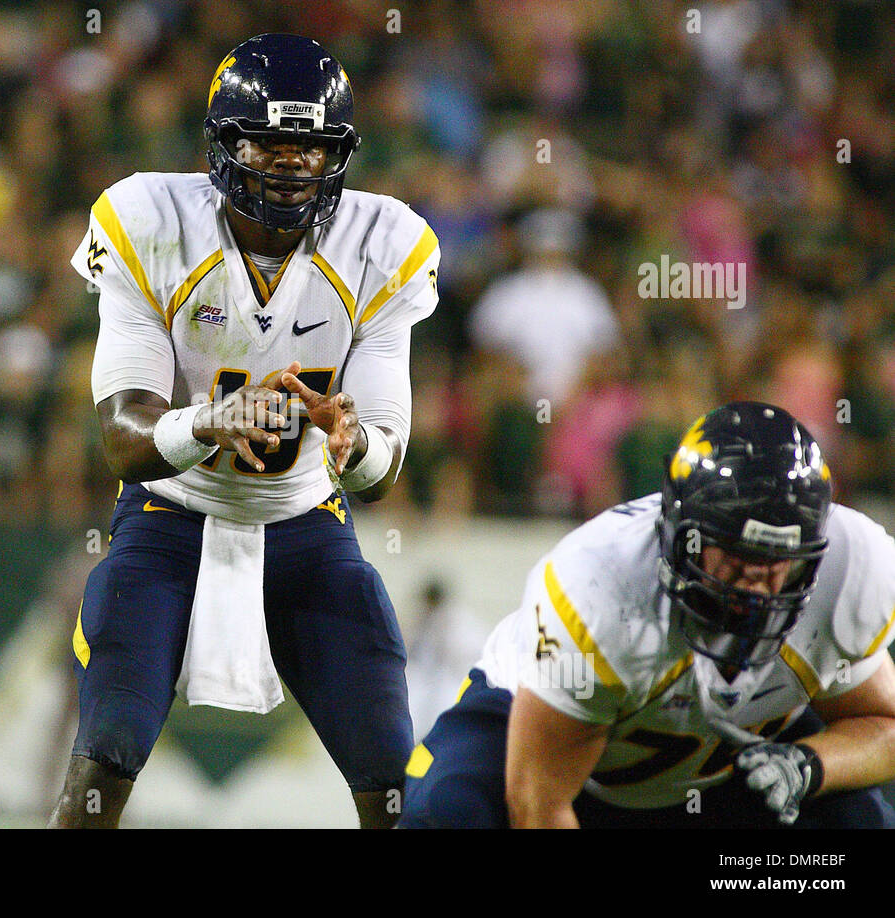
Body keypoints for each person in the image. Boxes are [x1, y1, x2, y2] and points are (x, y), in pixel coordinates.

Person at [51, 33, 439, 828]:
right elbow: (122, 441)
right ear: (223, 142)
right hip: (168, 518)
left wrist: (351, 442)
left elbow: (381, 473)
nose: (293, 160)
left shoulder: (385, 246)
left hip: (306, 526)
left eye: (311, 143)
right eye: (271, 138)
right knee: (104, 754)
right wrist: (206, 421)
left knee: (392, 768)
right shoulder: (149, 221)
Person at [399, 401, 895, 828]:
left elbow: (883, 725)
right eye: (735, 554)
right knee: (448, 810)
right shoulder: (600, 587)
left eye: (774, 561)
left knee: (859, 820)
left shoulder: (854, 567)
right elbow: (538, 806)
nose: (755, 582)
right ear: (681, 533)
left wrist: (810, 765)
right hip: (555, 757)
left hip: (716, 778)